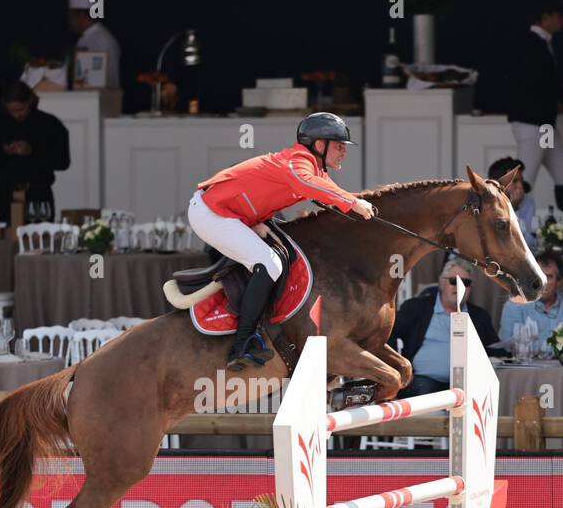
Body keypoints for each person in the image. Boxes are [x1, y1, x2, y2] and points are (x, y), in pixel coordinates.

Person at [188, 112, 373, 370]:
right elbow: (311, 186)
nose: (344, 152)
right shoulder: (298, 163)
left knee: (284, 252)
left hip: (237, 215)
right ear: (320, 145)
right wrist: (353, 203)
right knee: (270, 264)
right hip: (212, 213)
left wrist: (362, 204)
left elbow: (334, 194)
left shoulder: (313, 167)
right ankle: (242, 345)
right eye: (339, 146)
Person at [506, 2, 563, 223]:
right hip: (532, 123)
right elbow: (535, 81)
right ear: (545, 16)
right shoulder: (531, 44)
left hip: (545, 124)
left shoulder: (541, 43)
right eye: (558, 14)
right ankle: (505, 228)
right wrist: (562, 93)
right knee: (523, 181)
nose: (562, 20)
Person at [392, 259, 502, 397]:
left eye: (466, 283)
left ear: (470, 288)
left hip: (468, 384)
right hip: (424, 380)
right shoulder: (415, 308)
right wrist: (399, 367)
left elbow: (496, 349)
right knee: (424, 395)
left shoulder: (479, 316)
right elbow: (389, 334)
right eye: (454, 281)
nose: (459, 287)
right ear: (442, 283)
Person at [0, 81, 70, 224]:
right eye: (12, 110)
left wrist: (32, 151)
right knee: (7, 241)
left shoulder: (49, 124)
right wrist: (4, 152)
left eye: (21, 109)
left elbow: (63, 162)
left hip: (39, 195)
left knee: (40, 242)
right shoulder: (0, 124)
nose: (17, 115)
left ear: (30, 101)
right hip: (6, 195)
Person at [68, 0, 121, 89]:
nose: (69, 22)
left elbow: (110, 76)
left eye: (71, 16)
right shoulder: (84, 38)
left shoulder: (103, 40)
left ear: (81, 16)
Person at [488, 156, 539, 253]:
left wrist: (514, 208)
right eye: (515, 181)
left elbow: (530, 242)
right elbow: (497, 242)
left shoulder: (527, 201)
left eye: (521, 181)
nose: (520, 186)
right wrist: (510, 209)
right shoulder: (483, 202)